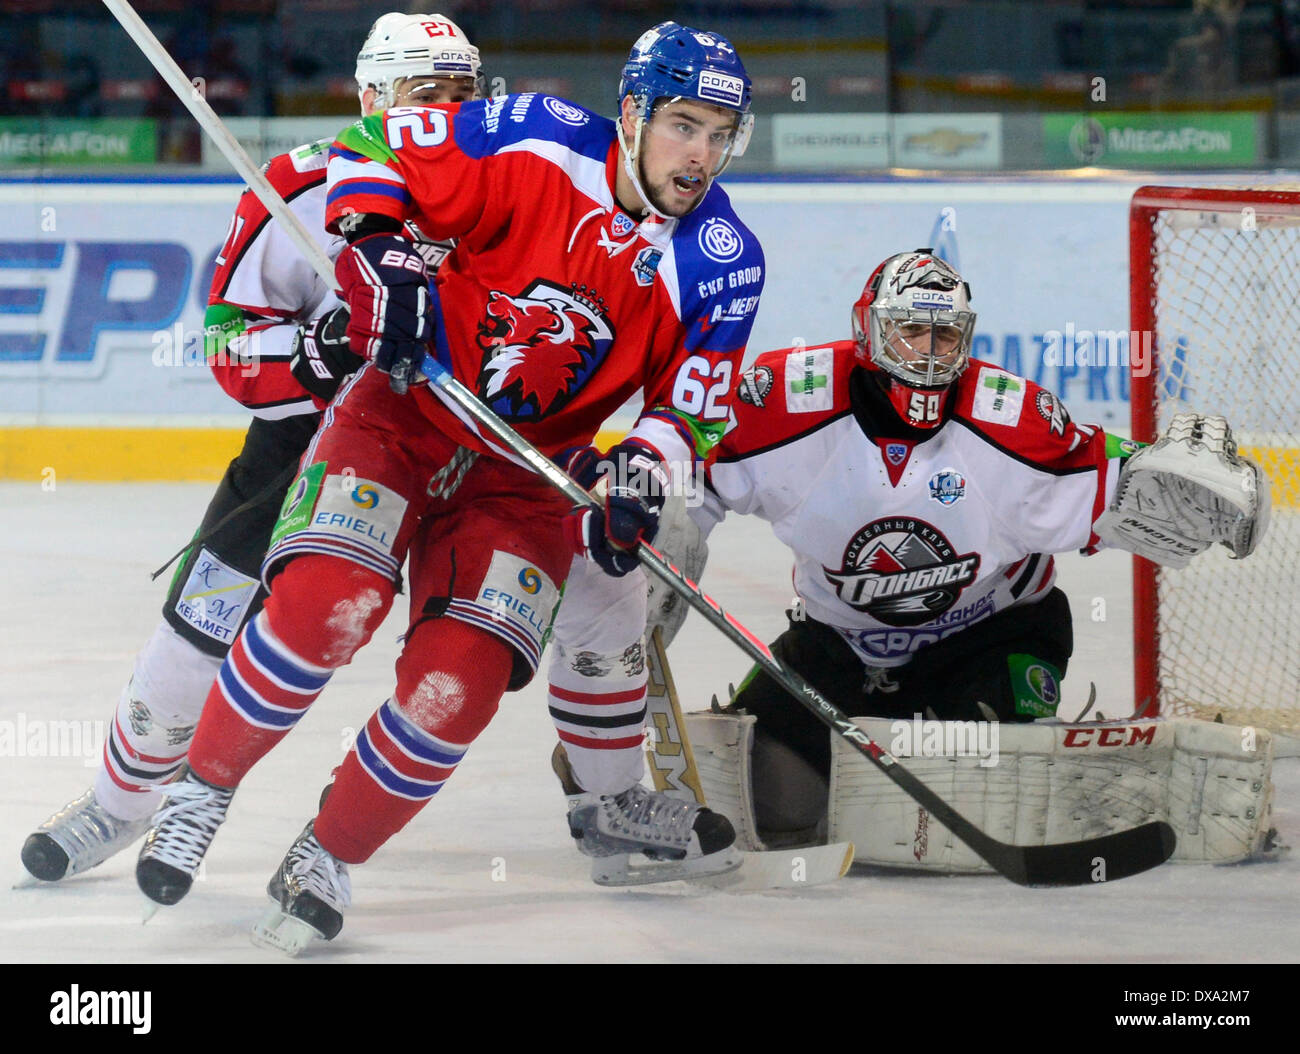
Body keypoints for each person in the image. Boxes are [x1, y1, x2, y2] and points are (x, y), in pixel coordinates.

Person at [134, 21, 766, 952]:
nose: (702, 155)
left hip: (525, 481)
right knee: (325, 609)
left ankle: (328, 854)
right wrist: (383, 246)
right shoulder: (534, 135)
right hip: (401, 415)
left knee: (457, 686)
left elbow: (692, 409)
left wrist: (640, 467)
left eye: (722, 133)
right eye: (684, 125)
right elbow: (371, 147)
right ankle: (202, 788)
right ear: (632, 112)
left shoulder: (725, 258)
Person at [21, 12, 483, 884]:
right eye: (428, 94)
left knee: (469, 644)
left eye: (463, 95)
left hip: (454, 454)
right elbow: (231, 337)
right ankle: (120, 805)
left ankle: (590, 798)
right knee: (198, 631)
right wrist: (318, 350)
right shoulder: (303, 185)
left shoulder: (505, 184)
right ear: (374, 97)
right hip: (304, 448)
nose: (448, 114)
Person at [672, 249, 1267, 847]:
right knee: (776, 811)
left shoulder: (1012, 424)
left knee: (997, 798)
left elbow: (1111, 489)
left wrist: (1171, 488)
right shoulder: (782, 405)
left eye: (945, 333)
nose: (929, 351)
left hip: (991, 637)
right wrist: (647, 512)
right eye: (910, 331)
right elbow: (688, 471)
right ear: (867, 330)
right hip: (837, 648)